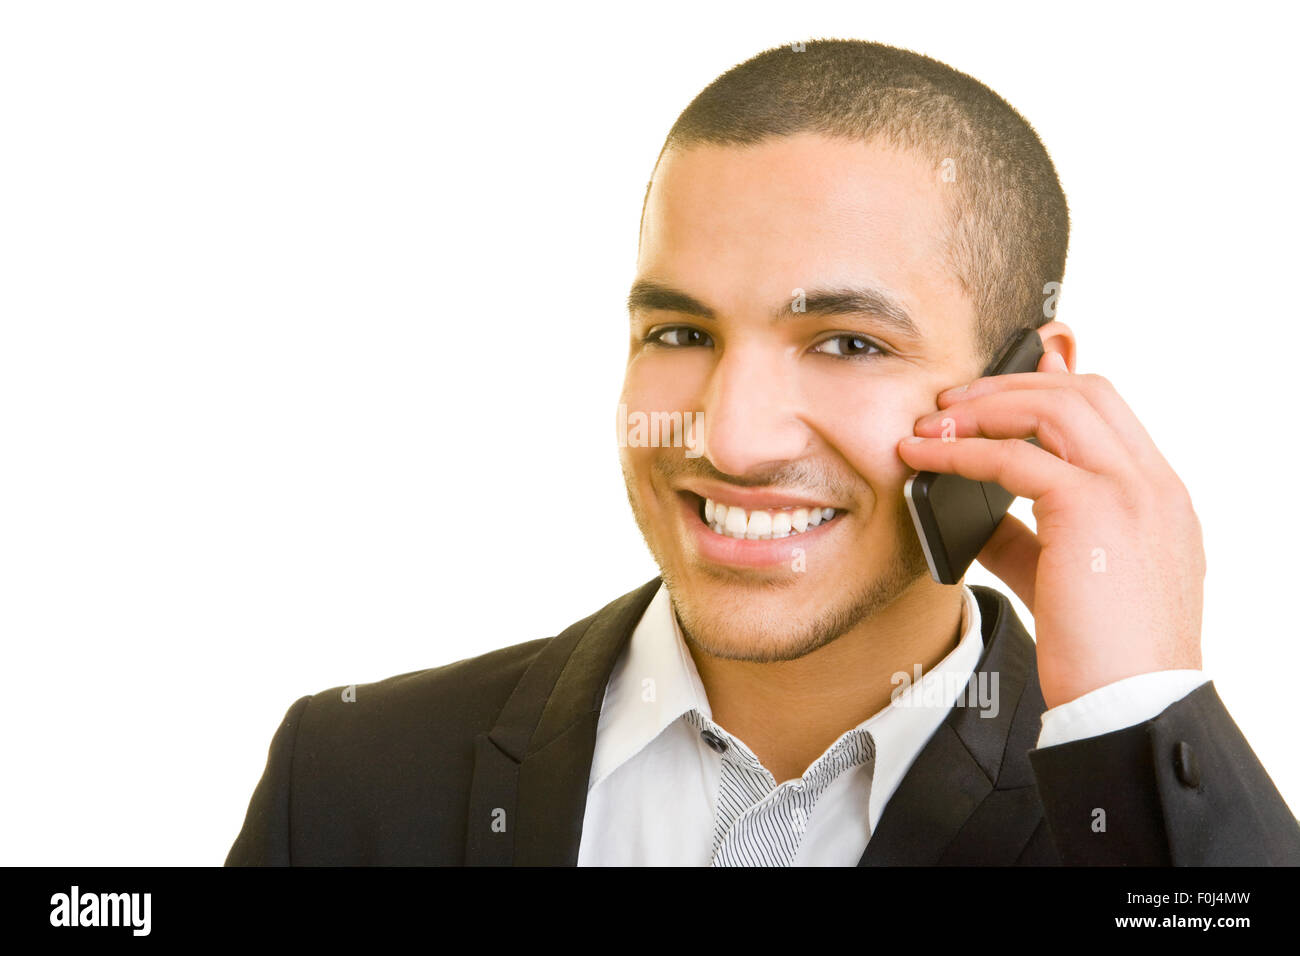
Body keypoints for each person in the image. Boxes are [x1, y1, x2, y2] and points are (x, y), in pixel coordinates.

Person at [225, 38, 1300, 866]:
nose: (732, 438)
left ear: (1028, 388)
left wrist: (1141, 705)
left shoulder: (1135, 819)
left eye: (846, 342)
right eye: (681, 334)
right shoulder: (350, 775)